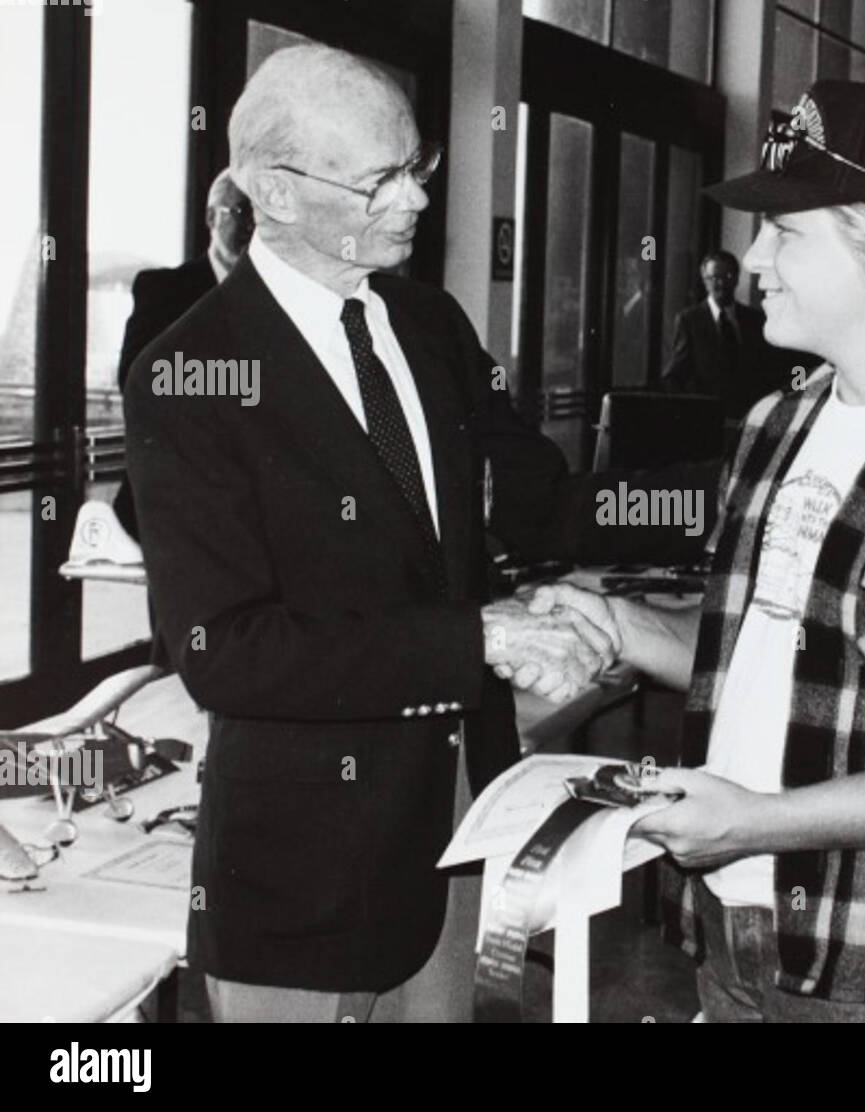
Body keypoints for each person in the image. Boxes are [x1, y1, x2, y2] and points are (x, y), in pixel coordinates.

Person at [520, 81, 865, 1021]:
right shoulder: (776, 424)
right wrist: (621, 626)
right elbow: (760, 651)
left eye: (787, 232)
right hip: (733, 931)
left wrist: (756, 823)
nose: (752, 263)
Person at [124, 44, 612, 1023]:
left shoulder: (428, 323)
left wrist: (742, 498)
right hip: (302, 870)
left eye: (417, 168)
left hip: (461, 820)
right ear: (276, 190)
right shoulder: (194, 371)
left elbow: (543, 501)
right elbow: (228, 651)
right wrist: (484, 638)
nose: (418, 201)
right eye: (382, 180)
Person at [112, 169, 254, 540]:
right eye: (241, 212)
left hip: (252, 510)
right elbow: (137, 379)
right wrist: (248, 379)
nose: (252, 226)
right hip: (174, 506)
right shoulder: (165, 289)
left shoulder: (279, 299)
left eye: (261, 216)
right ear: (211, 217)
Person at [660, 250, 803, 422]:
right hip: (706, 420)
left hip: (749, 417)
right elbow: (675, 376)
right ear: (705, 281)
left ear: (736, 279)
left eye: (726, 276)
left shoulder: (756, 320)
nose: (720, 283)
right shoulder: (689, 321)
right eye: (713, 278)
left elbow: (769, 370)